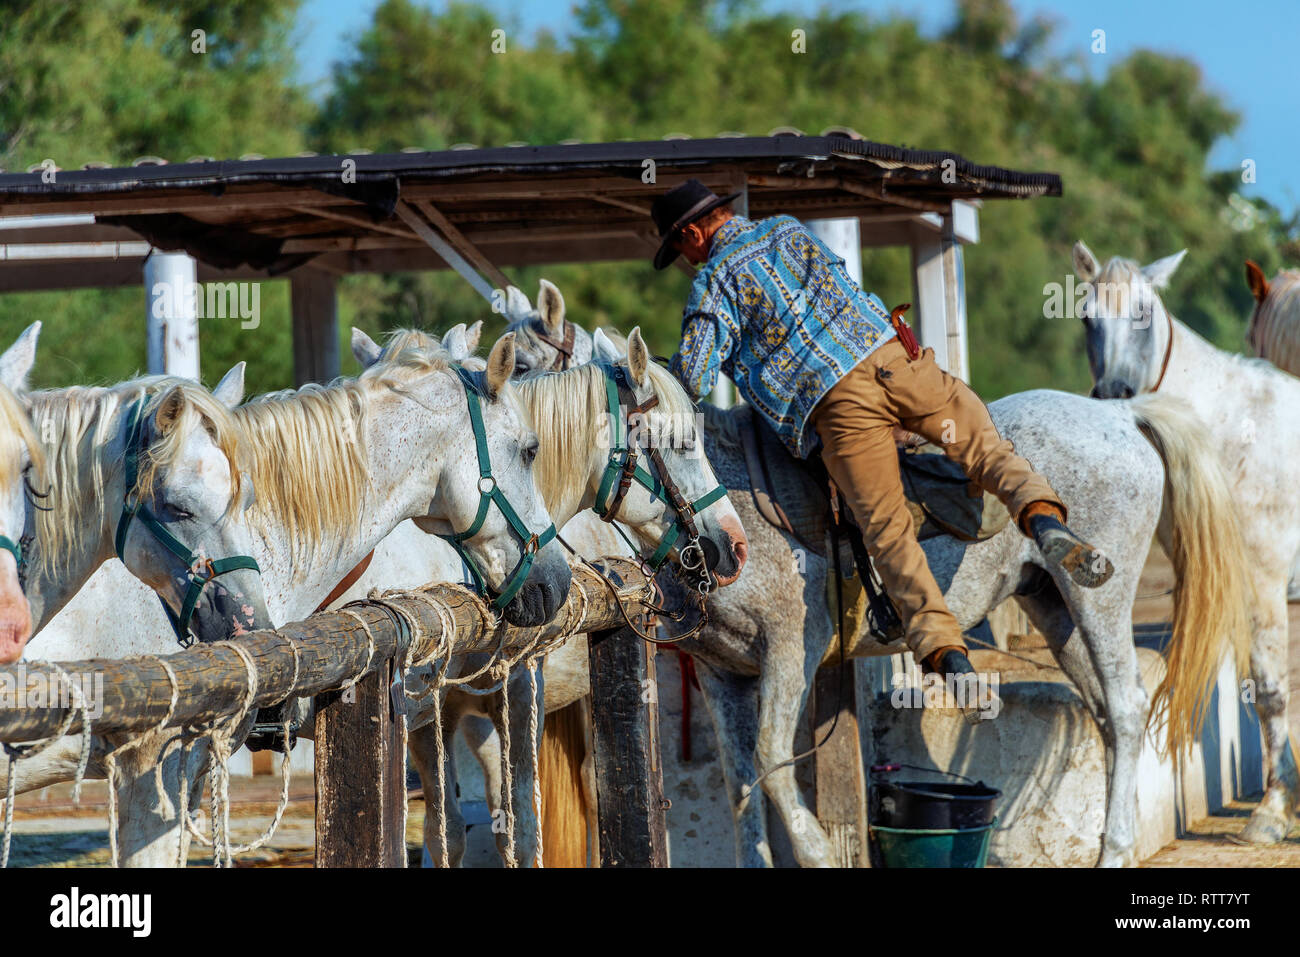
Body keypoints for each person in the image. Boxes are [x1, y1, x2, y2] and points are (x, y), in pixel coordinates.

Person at [651, 179, 1112, 681]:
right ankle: (1046, 522)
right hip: (900, 361)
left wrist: (663, 371)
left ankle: (947, 653)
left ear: (694, 232)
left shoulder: (714, 281)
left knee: (889, 531)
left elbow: (693, 380)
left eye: (680, 248)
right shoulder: (787, 231)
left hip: (841, 409)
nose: (686, 261)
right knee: (985, 448)